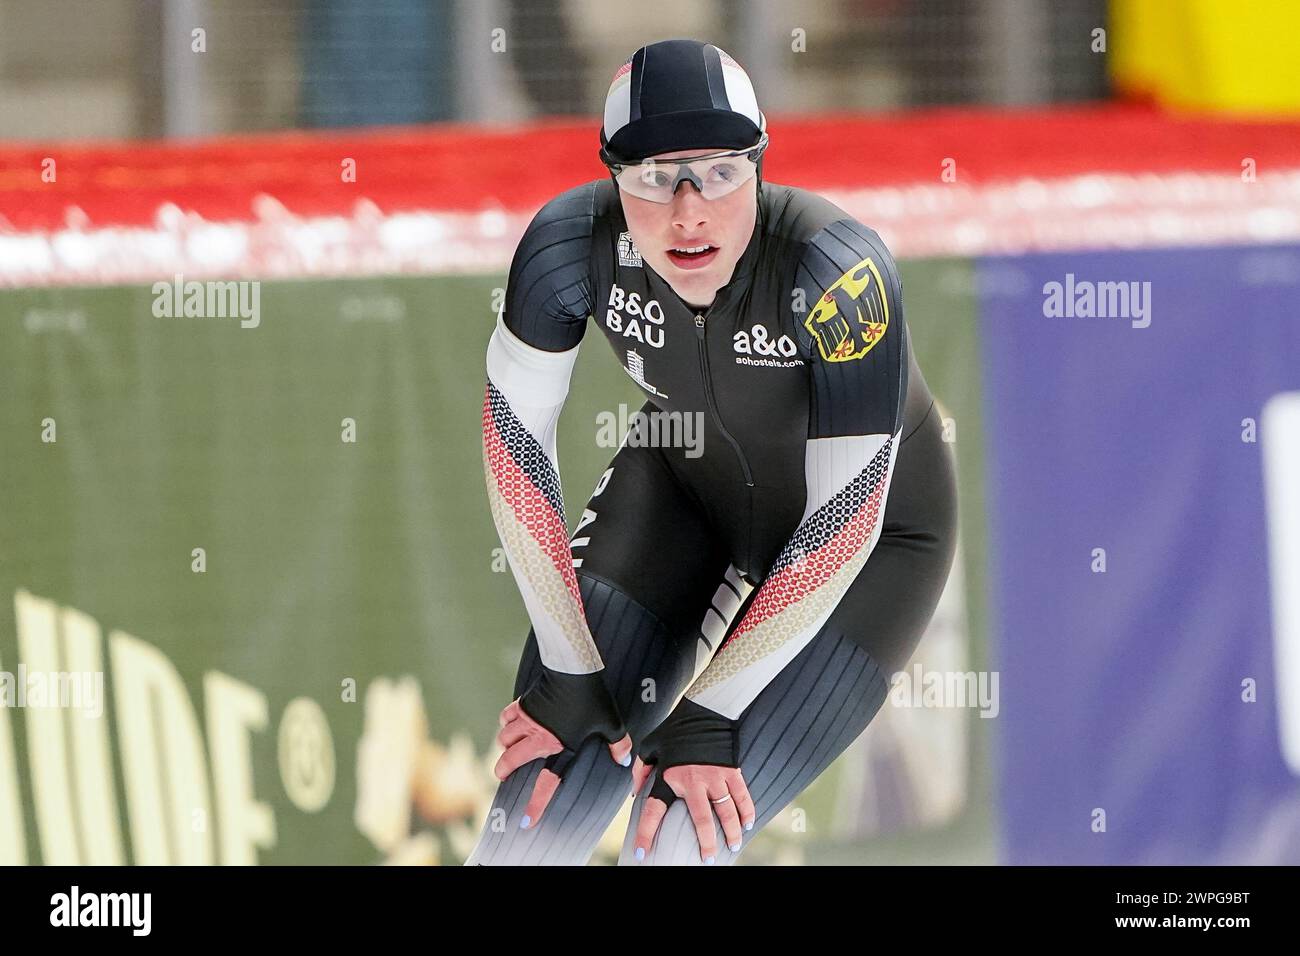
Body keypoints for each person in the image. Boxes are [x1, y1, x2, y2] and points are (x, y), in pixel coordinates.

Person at [467, 38, 957, 865]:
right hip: (685, 487)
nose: (689, 212)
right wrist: (567, 665)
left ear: (761, 169)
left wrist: (715, 708)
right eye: (655, 178)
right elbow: (514, 438)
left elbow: (844, 519)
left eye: (721, 173)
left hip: (870, 550)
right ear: (612, 181)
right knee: (536, 806)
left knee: (677, 834)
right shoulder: (565, 248)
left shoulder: (838, 272)